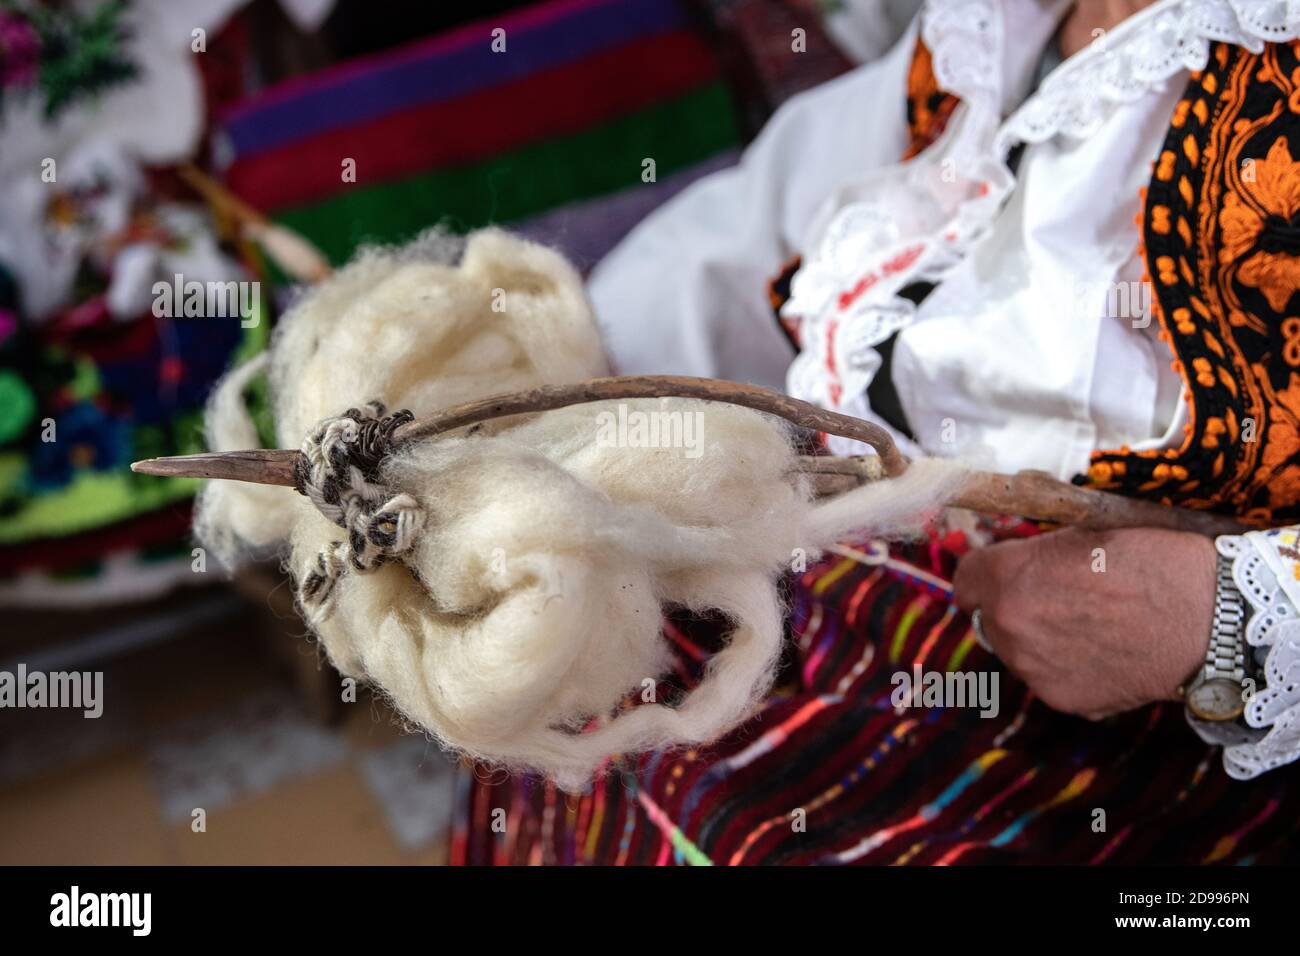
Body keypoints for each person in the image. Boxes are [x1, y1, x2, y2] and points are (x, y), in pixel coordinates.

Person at [455, 0, 1300, 864]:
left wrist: (1220, 616)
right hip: (867, 588)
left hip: (1145, 731)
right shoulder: (999, 30)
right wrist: (511, 381)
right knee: (560, 699)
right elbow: (769, 227)